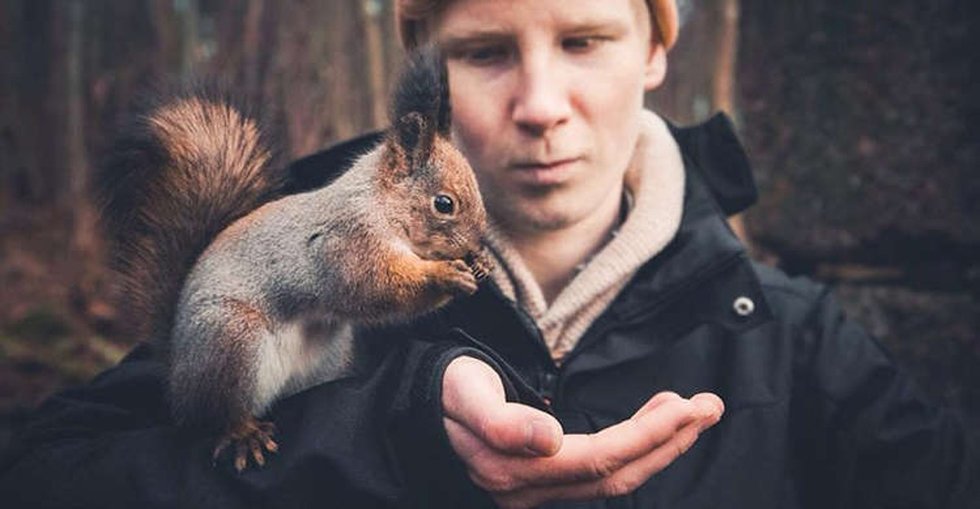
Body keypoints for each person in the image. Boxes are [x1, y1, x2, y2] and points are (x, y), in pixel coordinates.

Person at [0, 0, 974, 507]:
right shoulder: (304, 239)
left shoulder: (790, 336)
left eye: (584, 39)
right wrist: (387, 443)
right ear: (428, 76)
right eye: (485, 51)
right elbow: (46, 472)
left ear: (653, 50)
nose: (541, 105)